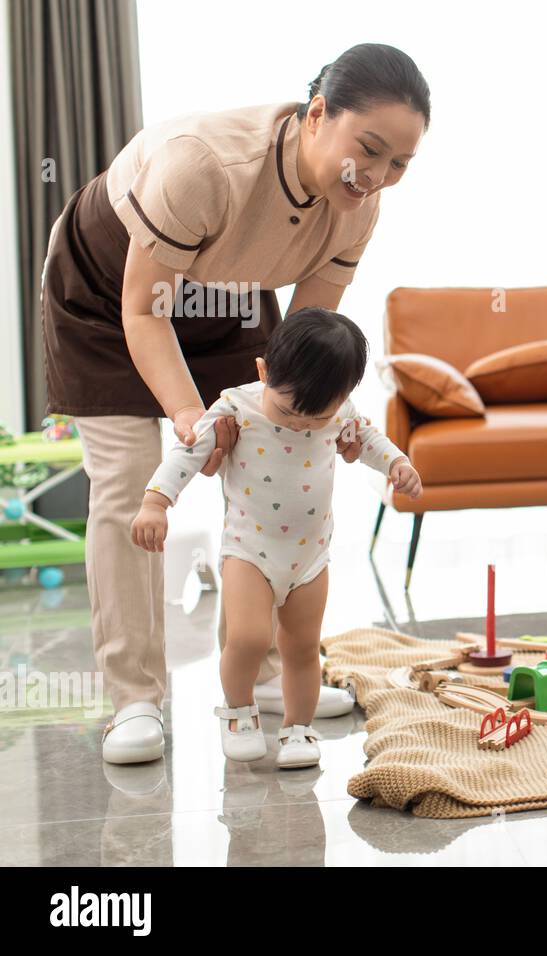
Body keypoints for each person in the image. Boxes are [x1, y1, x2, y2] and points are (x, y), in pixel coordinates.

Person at [40, 43, 429, 763]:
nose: (376, 178)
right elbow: (144, 311)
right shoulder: (204, 166)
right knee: (130, 482)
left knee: (265, 452)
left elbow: (311, 343)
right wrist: (193, 419)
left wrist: (329, 421)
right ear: (318, 115)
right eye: (368, 150)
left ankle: (273, 673)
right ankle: (134, 701)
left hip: (227, 296)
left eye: (398, 165)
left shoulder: (356, 209)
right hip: (110, 299)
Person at [130, 309, 422, 768]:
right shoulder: (236, 408)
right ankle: (238, 713)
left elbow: (371, 441)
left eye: (316, 417)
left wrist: (398, 465)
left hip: (310, 557)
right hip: (249, 551)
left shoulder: (339, 413)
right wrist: (155, 502)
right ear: (264, 372)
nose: (302, 425)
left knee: (303, 648)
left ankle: (298, 730)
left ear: (344, 396)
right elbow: (187, 455)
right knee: (247, 637)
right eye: (287, 411)